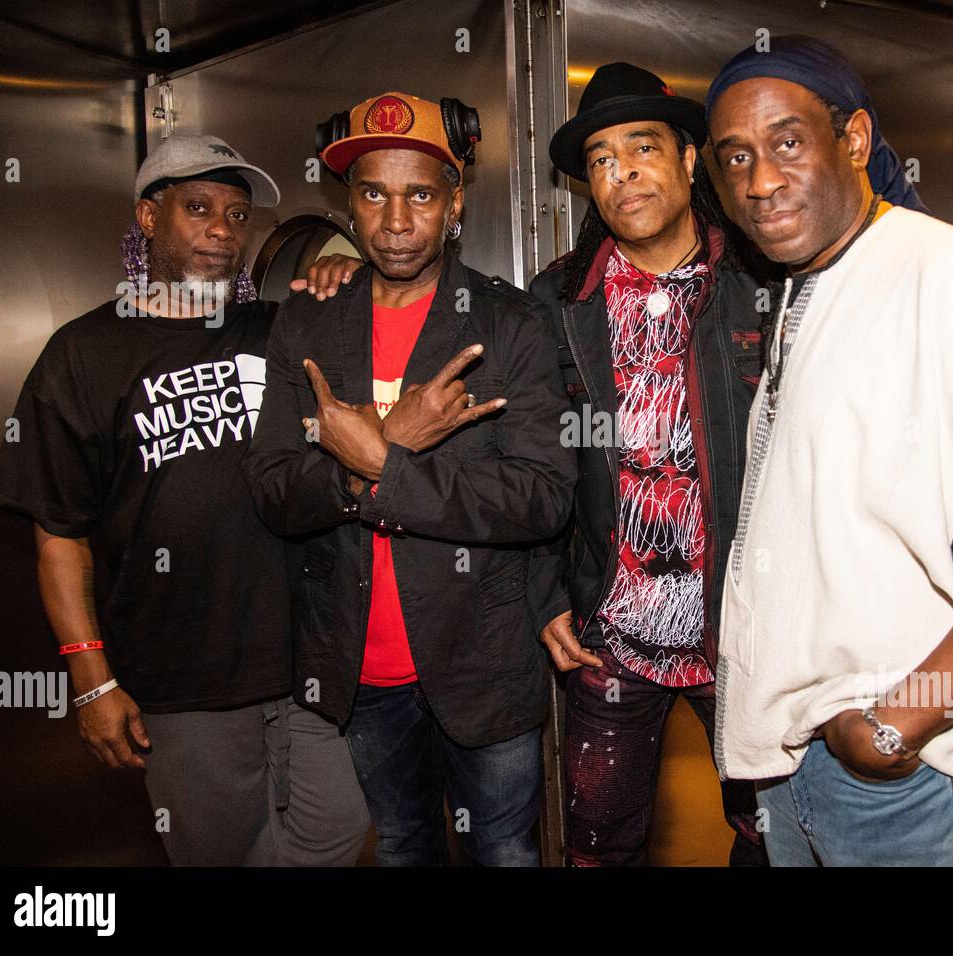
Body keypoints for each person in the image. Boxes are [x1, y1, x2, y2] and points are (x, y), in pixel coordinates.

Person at [705, 35, 953, 866]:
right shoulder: (805, 286)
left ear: (853, 140)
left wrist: (900, 723)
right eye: (735, 157)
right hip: (800, 766)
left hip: (908, 784)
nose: (758, 181)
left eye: (787, 142)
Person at [0, 134, 370, 866]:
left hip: (314, 660)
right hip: (182, 675)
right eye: (198, 209)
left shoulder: (279, 328)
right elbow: (58, 534)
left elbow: (375, 359)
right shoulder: (84, 351)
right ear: (149, 219)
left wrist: (346, 273)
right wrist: (91, 679)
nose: (222, 230)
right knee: (218, 852)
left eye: (235, 214)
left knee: (341, 831)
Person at [243, 90, 575, 866]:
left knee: (503, 850)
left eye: (420, 194)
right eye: (373, 195)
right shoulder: (308, 320)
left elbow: (543, 497)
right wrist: (378, 460)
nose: (396, 221)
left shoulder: (508, 322)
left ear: (455, 202)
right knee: (402, 847)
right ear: (348, 206)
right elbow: (272, 488)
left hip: (483, 662)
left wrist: (383, 467)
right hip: (358, 664)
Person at [526, 61, 769, 866]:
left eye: (641, 147)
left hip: (742, 632)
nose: (621, 173)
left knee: (771, 837)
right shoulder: (559, 300)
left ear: (689, 158)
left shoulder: (761, 281)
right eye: (599, 159)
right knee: (598, 847)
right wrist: (547, 594)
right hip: (612, 636)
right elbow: (534, 460)